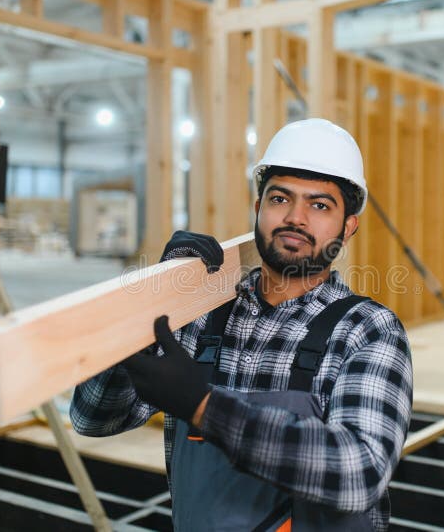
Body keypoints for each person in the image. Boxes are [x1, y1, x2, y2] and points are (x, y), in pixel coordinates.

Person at [71, 118, 413, 531]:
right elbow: (94, 418)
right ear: (258, 209)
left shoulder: (367, 331)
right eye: (280, 199)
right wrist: (152, 302)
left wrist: (204, 407)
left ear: (348, 226)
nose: (296, 218)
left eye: (319, 205)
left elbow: (359, 476)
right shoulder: (204, 316)